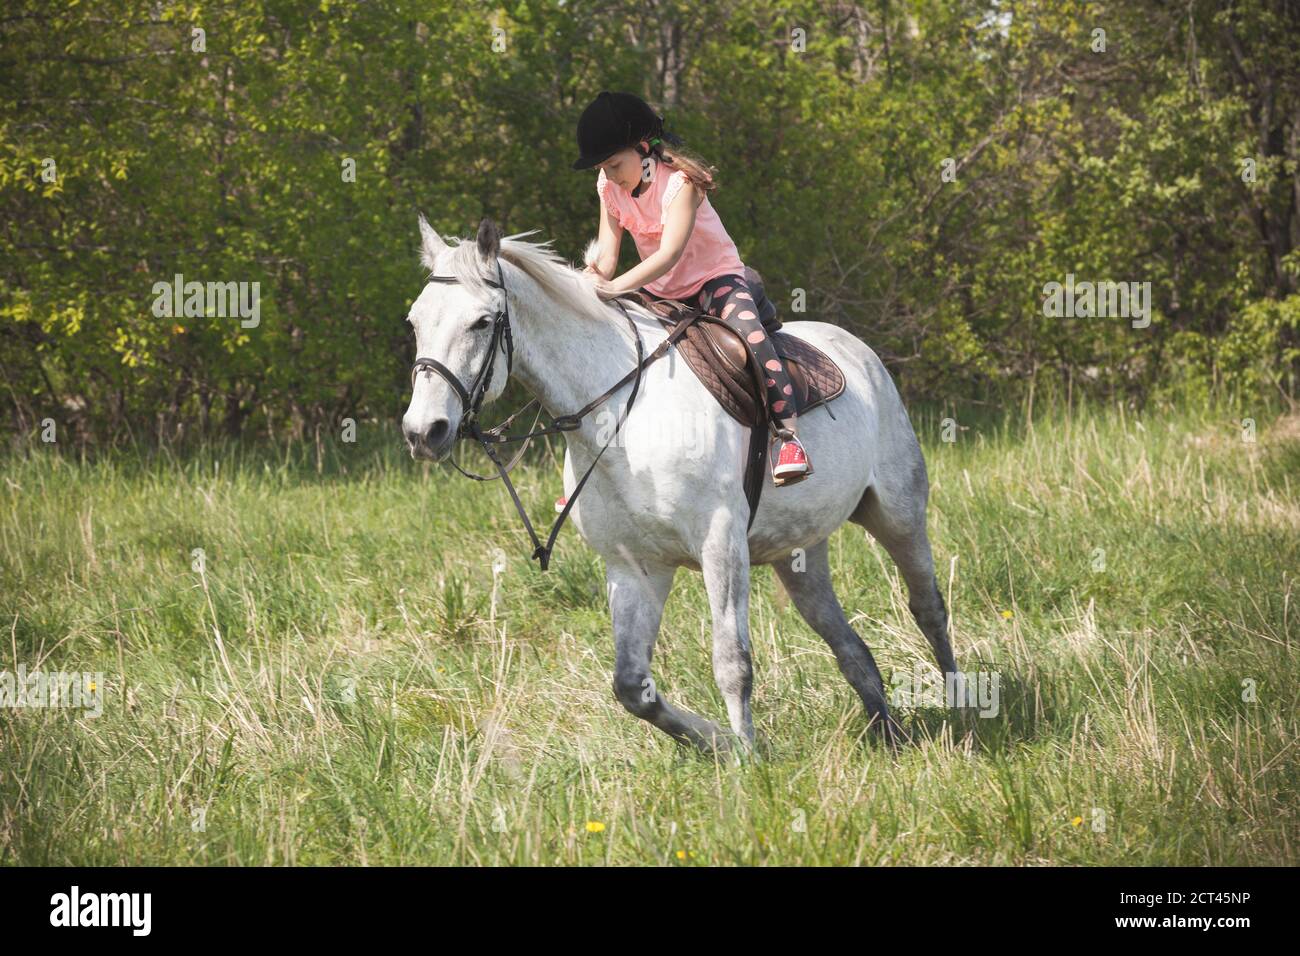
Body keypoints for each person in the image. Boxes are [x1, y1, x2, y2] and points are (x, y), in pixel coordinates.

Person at [558, 92, 809, 513]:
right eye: (603, 167)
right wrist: (589, 282)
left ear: (642, 149)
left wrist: (615, 287)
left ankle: (789, 437)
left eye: (614, 164)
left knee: (751, 336)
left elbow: (668, 254)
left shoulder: (681, 184)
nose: (610, 174)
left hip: (714, 280)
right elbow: (606, 255)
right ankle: (593, 470)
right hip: (659, 290)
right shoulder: (608, 186)